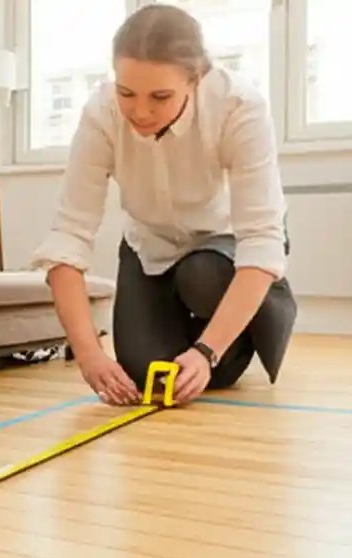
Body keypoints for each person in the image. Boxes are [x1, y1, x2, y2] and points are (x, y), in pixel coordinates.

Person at [29, 4, 297, 407]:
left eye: (160, 96)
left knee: (203, 284)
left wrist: (206, 352)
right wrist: (89, 355)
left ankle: (245, 327)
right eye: (126, 93)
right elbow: (69, 237)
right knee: (148, 372)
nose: (139, 111)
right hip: (149, 243)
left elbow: (260, 238)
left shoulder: (239, 106)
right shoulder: (100, 113)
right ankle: (204, 346)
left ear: (196, 79)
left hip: (224, 246)